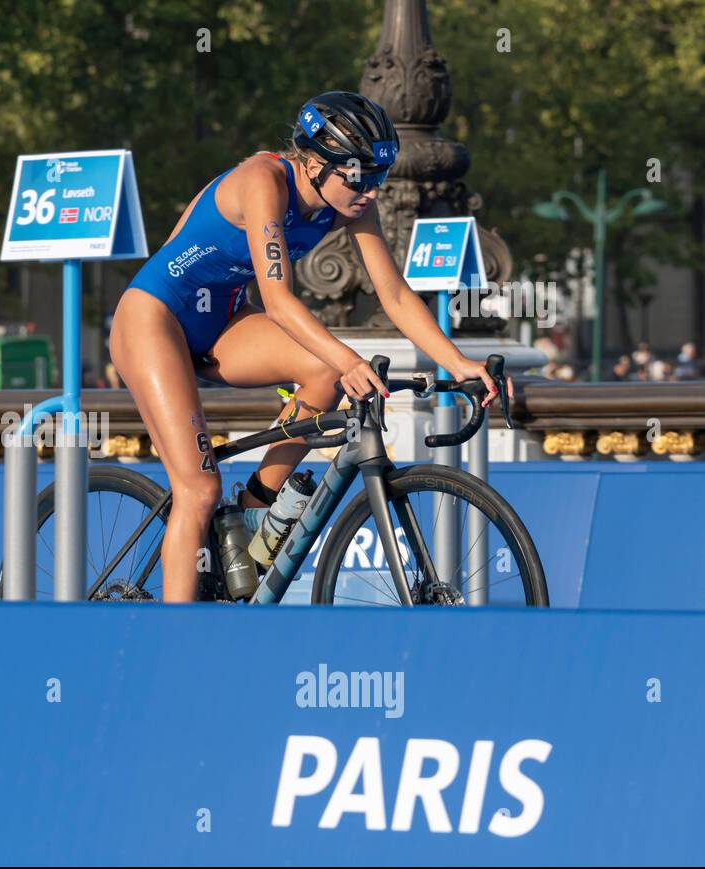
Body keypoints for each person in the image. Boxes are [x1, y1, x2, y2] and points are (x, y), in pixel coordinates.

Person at [108, 90, 510, 602]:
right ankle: (178, 644)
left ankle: (255, 511)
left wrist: (458, 361)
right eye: (360, 178)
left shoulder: (352, 204)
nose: (370, 191)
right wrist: (350, 360)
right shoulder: (263, 181)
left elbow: (394, 293)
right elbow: (277, 300)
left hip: (221, 321)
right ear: (316, 163)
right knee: (199, 489)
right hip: (154, 317)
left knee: (321, 373)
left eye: (380, 178)